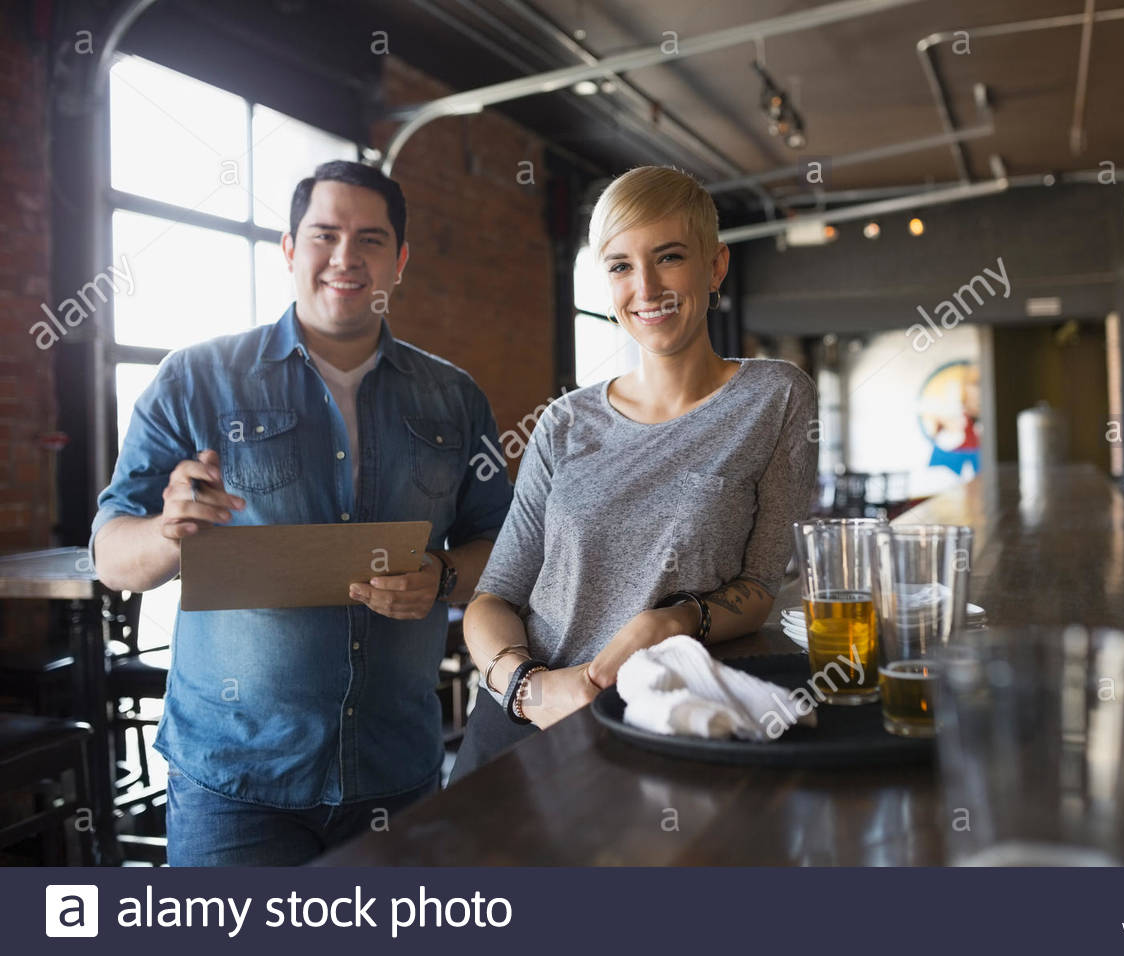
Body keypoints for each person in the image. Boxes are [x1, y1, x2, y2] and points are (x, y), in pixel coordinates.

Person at [90, 160, 512, 865]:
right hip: (235, 783)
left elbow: (501, 546)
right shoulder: (196, 381)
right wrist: (168, 532)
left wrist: (441, 576)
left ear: (399, 261)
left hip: (395, 772)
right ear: (290, 250)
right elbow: (111, 556)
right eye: (324, 235)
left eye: (371, 240)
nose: (346, 258)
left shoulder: (454, 399)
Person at [452, 165, 818, 781]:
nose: (646, 287)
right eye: (620, 265)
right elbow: (493, 599)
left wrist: (669, 620)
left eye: (669, 257)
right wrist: (532, 688)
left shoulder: (775, 397)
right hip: (518, 717)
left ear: (715, 266)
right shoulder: (564, 422)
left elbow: (759, 587)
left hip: (652, 716)